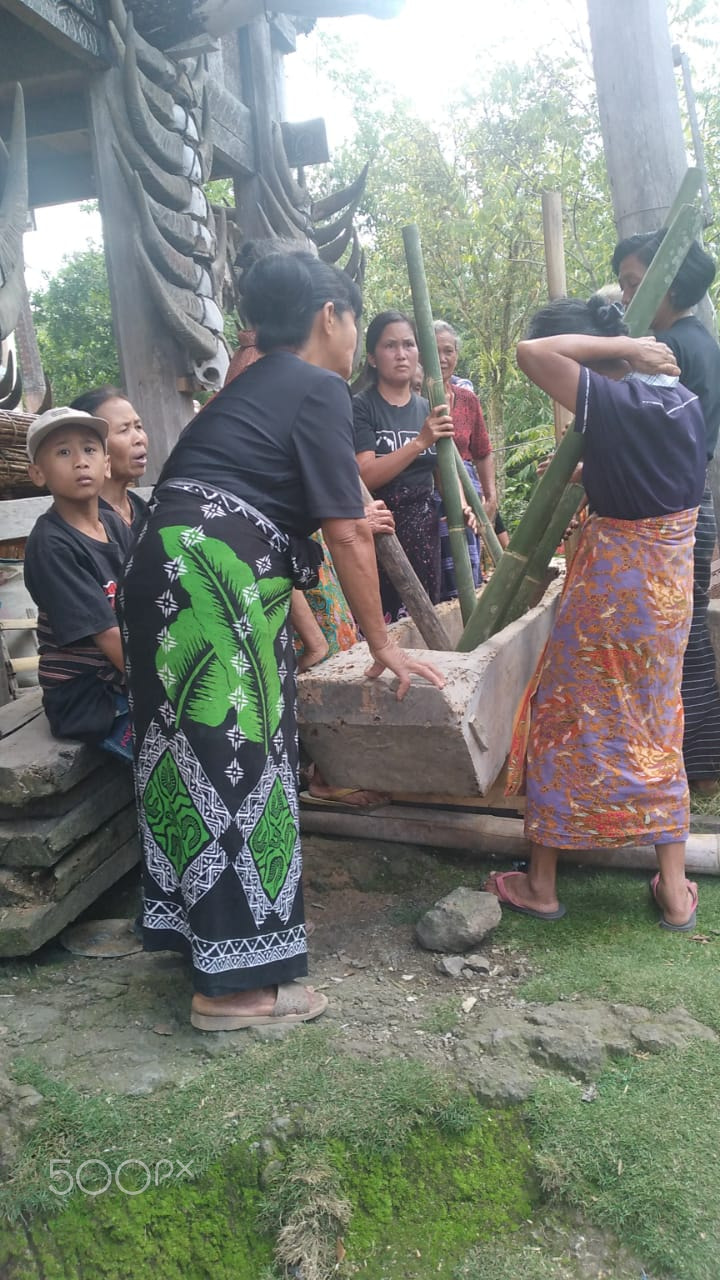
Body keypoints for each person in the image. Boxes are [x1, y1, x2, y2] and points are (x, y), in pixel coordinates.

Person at [118, 254, 444, 1032]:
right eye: (354, 322)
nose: (353, 340)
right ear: (330, 315)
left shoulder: (251, 387)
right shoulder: (317, 387)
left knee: (187, 757)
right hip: (214, 579)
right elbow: (347, 530)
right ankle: (233, 993)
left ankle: (202, 943)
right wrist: (380, 643)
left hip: (165, 571)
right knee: (238, 763)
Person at [486, 295, 705, 931]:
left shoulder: (615, 397)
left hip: (615, 595)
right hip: (669, 595)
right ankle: (673, 890)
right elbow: (661, 477)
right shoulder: (678, 398)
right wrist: (600, 467)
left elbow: (531, 354)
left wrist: (625, 347)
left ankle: (541, 884)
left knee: (566, 717)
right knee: (656, 721)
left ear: (586, 352)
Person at [613, 232, 720, 791]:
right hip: (693, 502)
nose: (628, 297)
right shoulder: (701, 341)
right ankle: (701, 764)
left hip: (670, 514)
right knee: (687, 633)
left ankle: (690, 764)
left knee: (674, 640)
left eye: (635, 283)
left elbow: (647, 434)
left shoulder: (668, 348)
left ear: (670, 283)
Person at [23, 406, 134, 761]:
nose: (80, 461)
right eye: (63, 452)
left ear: (106, 464)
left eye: (89, 449)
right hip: (87, 698)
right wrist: (168, 687)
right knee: (177, 749)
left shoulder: (113, 524)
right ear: (38, 473)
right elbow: (108, 636)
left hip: (122, 678)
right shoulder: (52, 545)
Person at [352, 310, 475, 622]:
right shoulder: (361, 406)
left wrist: (462, 505)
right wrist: (419, 442)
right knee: (385, 621)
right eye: (390, 346)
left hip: (425, 531)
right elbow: (365, 475)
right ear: (372, 358)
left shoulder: (427, 409)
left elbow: (442, 473)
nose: (401, 354)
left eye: (408, 344)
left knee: (424, 618)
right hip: (381, 529)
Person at [434, 319, 497, 597]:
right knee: (440, 572)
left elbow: (482, 451)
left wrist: (490, 497)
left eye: (448, 351)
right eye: (435, 351)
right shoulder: (415, 398)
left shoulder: (467, 399)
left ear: (457, 355)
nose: (442, 358)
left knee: (467, 574)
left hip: (468, 493)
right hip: (433, 491)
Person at [70, 387, 149, 533]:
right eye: (124, 430)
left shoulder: (145, 511)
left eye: (138, 426)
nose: (140, 439)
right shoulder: (77, 523)